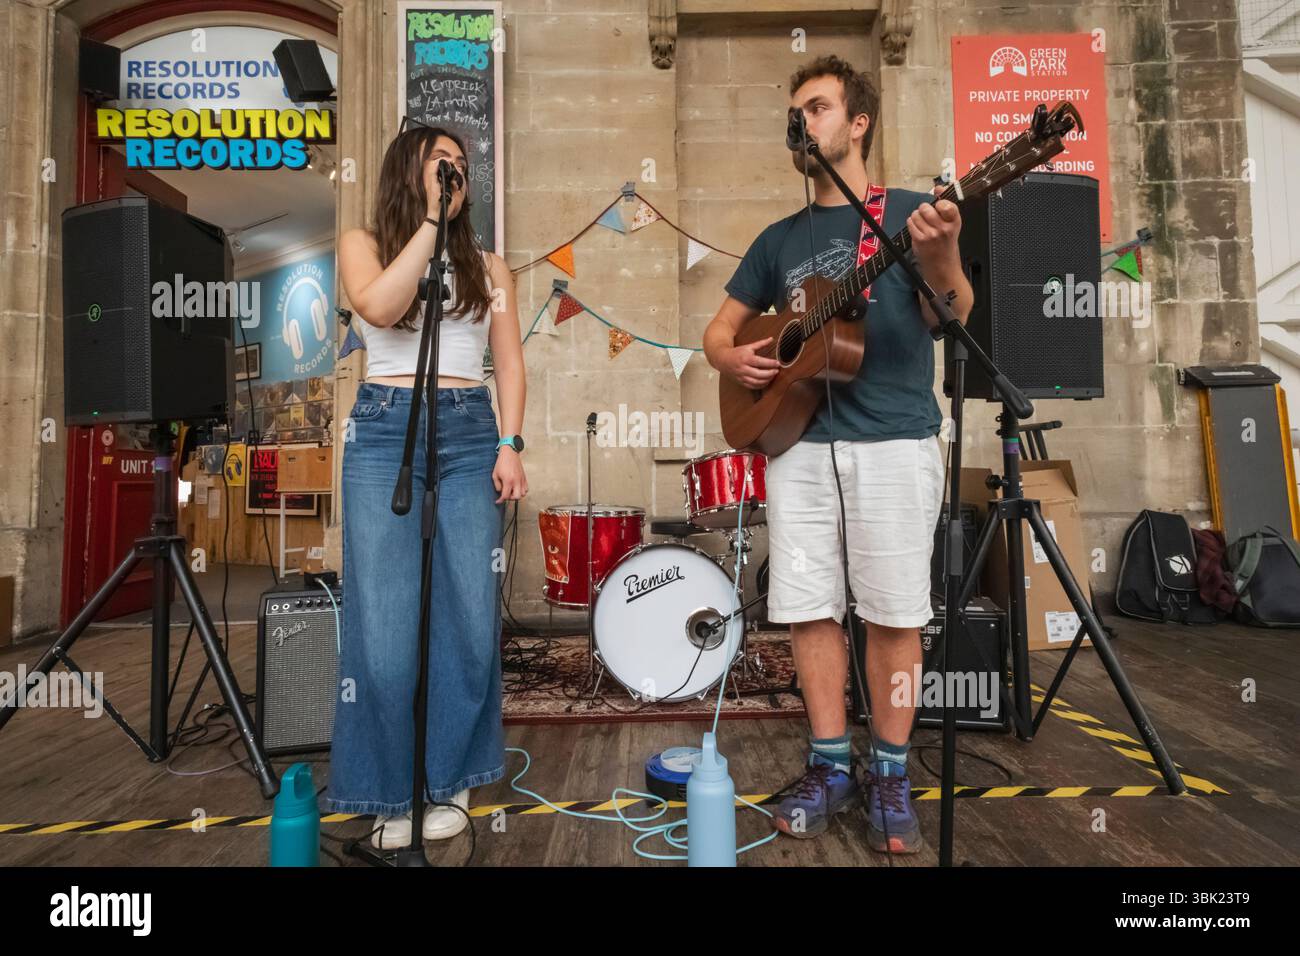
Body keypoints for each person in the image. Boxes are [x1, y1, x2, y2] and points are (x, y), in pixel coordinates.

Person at [703, 55, 972, 853]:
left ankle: (889, 772)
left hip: (893, 435)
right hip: (798, 442)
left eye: (817, 107)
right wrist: (732, 360)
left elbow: (950, 314)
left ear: (857, 123)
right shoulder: (777, 239)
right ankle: (829, 763)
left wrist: (943, 254)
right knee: (809, 606)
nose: (804, 122)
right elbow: (719, 333)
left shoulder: (916, 211)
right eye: (797, 112)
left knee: (894, 612)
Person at [325, 123, 528, 849]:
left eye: (462, 163)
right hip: (384, 431)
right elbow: (378, 308)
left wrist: (510, 442)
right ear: (406, 171)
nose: (454, 169)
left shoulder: (491, 267)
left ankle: (451, 780)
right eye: (439, 160)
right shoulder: (362, 243)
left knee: (469, 619)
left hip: (471, 430)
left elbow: (508, 363)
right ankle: (389, 790)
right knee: (383, 629)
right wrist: (432, 228)